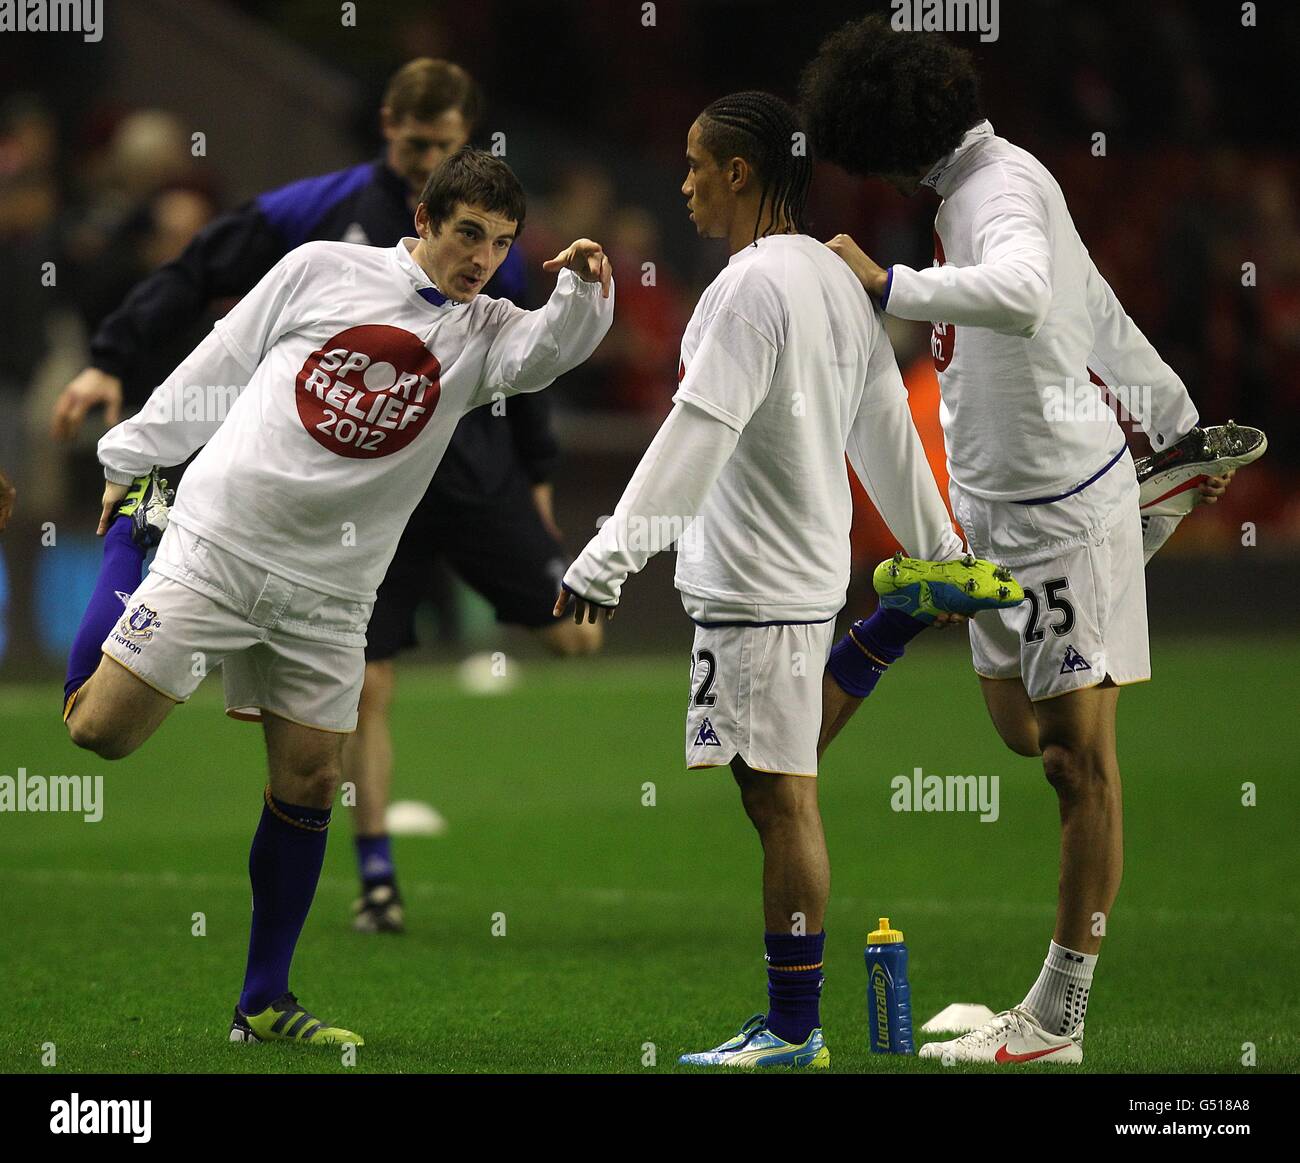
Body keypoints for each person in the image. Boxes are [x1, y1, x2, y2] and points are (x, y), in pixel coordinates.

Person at [62, 148, 614, 1045]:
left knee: (314, 777)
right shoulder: (324, 268)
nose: (480, 258)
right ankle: (138, 533)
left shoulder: (486, 334)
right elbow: (222, 359)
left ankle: (263, 1000)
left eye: (500, 243)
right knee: (99, 731)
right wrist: (134, 462)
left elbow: (553, 350)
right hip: (221, 543)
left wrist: (587, 288)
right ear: (426, 219)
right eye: (468, 233)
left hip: (334, 591)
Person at [799, 14, 1265, 1064]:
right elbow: (1091, 304)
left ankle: (1057, 1018)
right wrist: (1175, 412)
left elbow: (1027, 294)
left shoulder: (996, 190)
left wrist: (889, 288)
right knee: (1017, 728)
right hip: (999, 511)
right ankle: (1148, 513)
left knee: (1073, 760)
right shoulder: (983, 184)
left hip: (1056, 502)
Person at [558, 92, 1018, 1069]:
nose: (680, 181)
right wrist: (936, 551)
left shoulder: (745, 289)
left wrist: (605, 557)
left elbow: (693, 436)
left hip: (754, 580)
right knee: (782, 767)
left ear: (738, 172)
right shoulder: (829, 277)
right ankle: (892, 621)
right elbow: (883, 421)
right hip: (801, 570)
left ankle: (792, 1028)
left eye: (694, 163)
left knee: (779, 797)